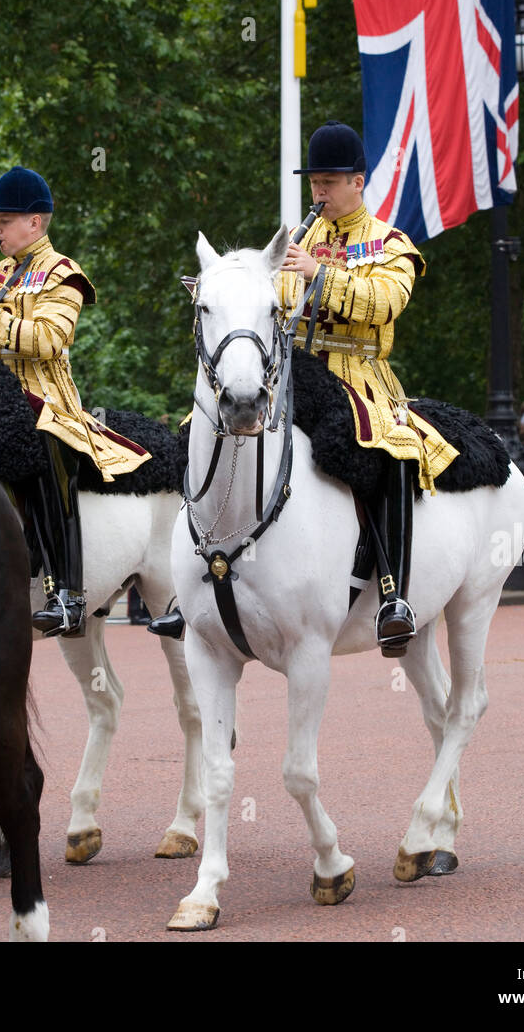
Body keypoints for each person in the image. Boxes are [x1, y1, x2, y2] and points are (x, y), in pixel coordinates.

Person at [151, 121, 459, 657]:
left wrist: (319, 275)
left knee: (384, 451)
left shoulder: (392, 243)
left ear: (358, 182)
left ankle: (393, 595)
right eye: (315, 181)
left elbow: (385, 302)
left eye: (331, 181)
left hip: (360, 378)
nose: (319, 192)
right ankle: (194, 578)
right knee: (198, 434)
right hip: (292, 374)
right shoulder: (292, 243)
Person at [0, 166, 150, 637]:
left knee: (45, 447)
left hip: (47, 400)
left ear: (35, 223)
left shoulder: (64, 274)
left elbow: (48, 340)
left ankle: (67, 593)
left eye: (4, 220)